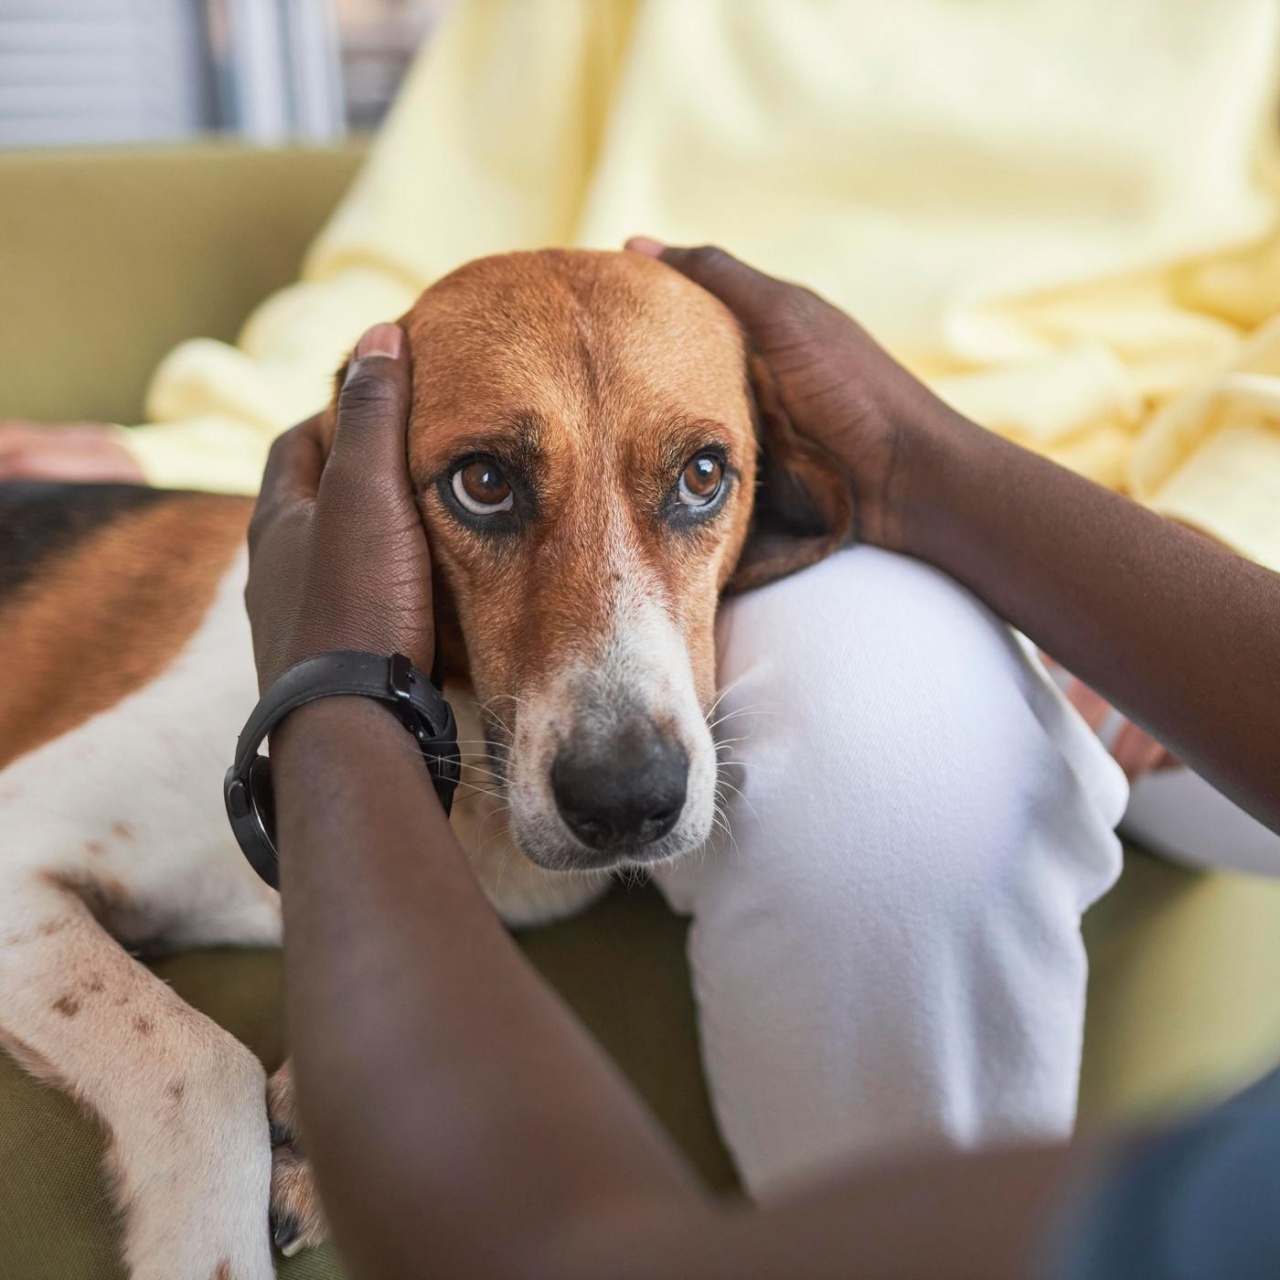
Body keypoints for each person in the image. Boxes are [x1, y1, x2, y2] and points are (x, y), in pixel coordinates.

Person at [5, 0, 1279, 1185]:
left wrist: (1176, 559)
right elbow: (408, 274)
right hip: (803, 489)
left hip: (1166, 523)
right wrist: (184, 447)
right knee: (894, 774)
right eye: (491, 491)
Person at [247, 243, 1280, 1279]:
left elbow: (560, 1254)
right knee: (889, 769)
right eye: (486, 483)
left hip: (1188, 509)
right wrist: (911, 460)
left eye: (697, 473)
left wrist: (335, 695)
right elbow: (384, 251)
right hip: (903, 488)